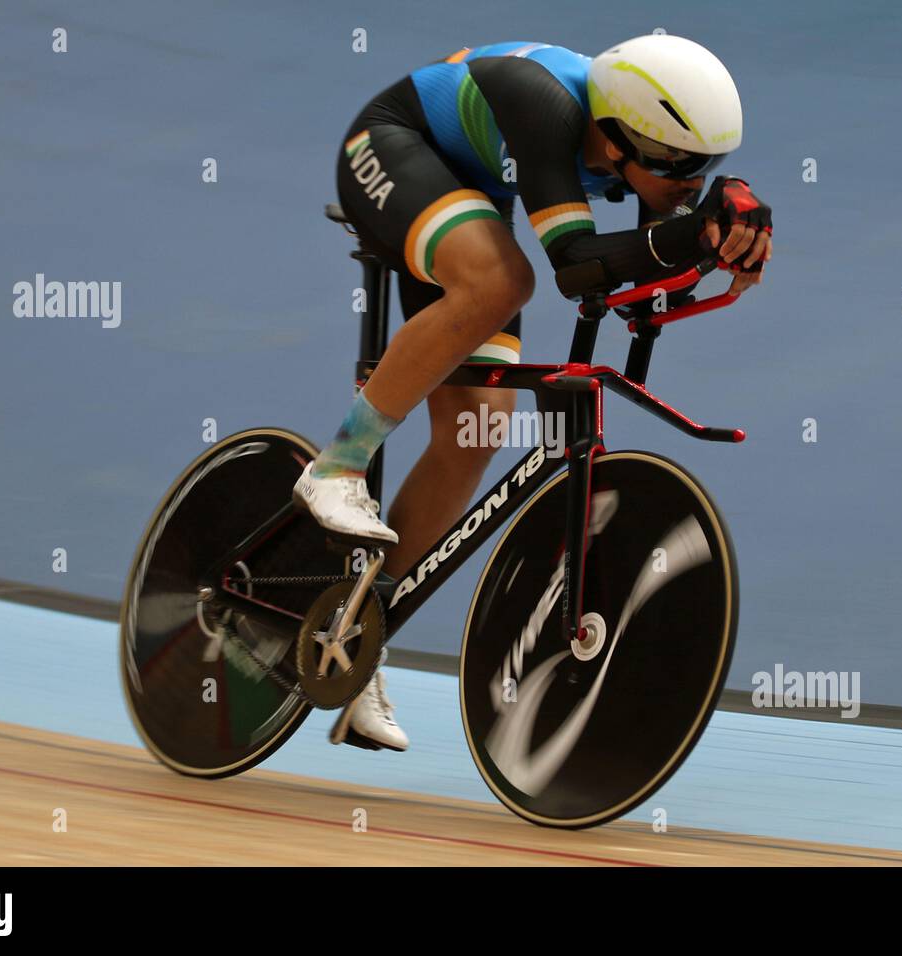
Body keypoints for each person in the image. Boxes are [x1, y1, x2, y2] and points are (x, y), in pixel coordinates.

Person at [295, 35, 773, 752]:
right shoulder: (545, 105)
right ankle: (336, 464)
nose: (689, 181)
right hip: (390, 147)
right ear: (614, 141)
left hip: (472, 192)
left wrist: (720, 242)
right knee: (502, 280)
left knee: (475, 437)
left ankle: (358, 632)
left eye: (707, 166)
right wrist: (688, 238)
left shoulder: (635, 149)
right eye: (677, 164)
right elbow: (577, 268)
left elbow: (638, 276)